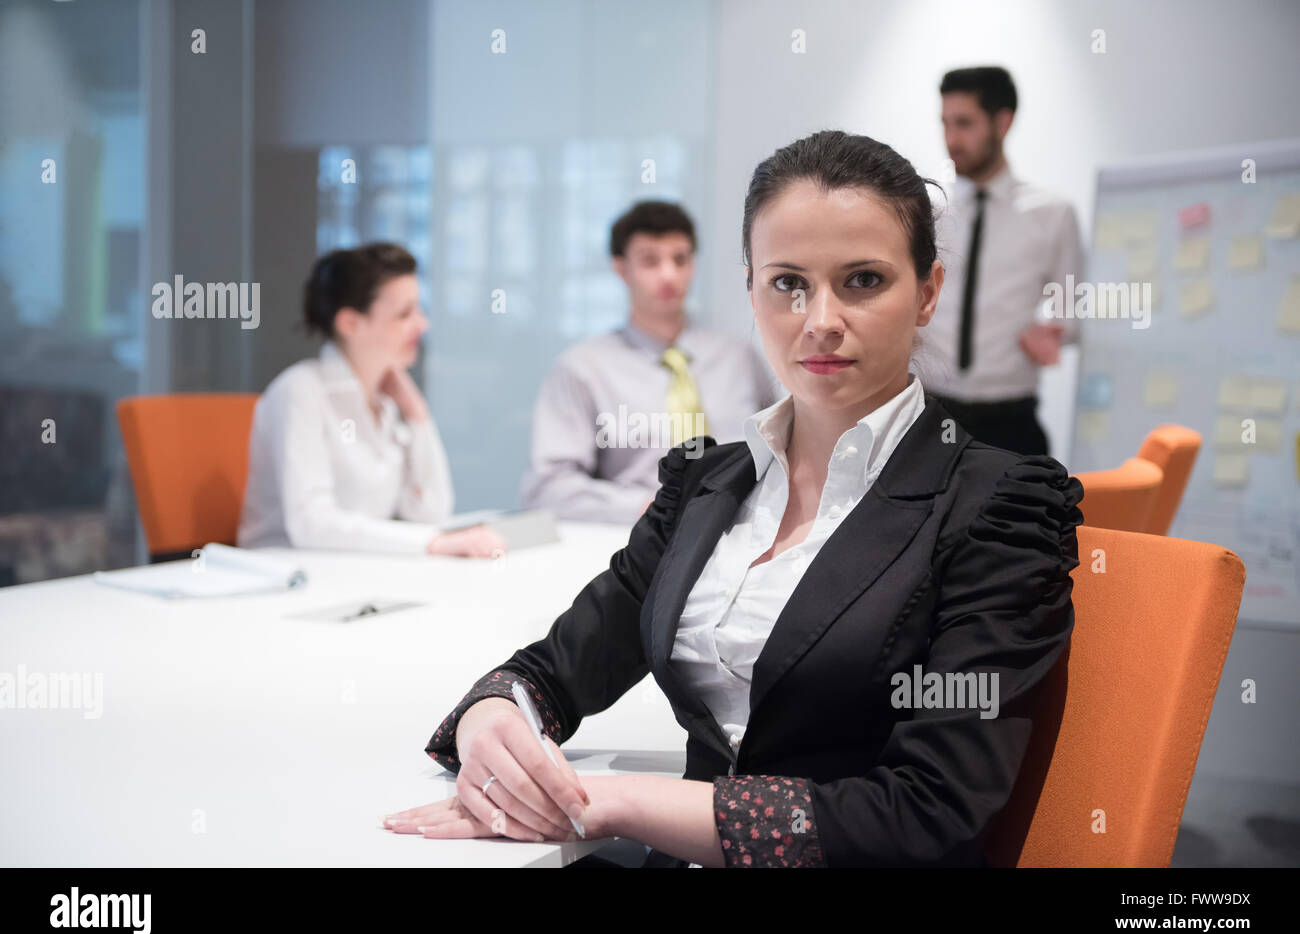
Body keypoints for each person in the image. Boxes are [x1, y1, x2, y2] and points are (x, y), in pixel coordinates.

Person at [384, 131, 1084, 867]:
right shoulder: (706, 486)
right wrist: (493, 719)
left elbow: (928, 809)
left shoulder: (998, 507)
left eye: (863, 280)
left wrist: (612, 803)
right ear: (751, 289)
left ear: (928, 292)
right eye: (788, 283)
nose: (820, 319)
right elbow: (554, 669)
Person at [519, 200, 780, 524]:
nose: (669, 274)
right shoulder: (582, 369)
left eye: (680, 259)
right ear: (621, 269)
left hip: (741, 530)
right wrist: (648, 508)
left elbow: (781, 450)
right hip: (638, 536)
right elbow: (548, 489)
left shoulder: (739, 358)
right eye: (650, 261)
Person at [237, 242, 505, 557]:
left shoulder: (389, 403)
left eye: (419, 311)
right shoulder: (300, 391)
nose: (422, 324)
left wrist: (418, 415)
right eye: (404, 314)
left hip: (359, 569)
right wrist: (430, 543)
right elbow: (312, 523)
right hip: (287, 572)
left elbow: (431, 512)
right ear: (350, 323)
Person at [922, 66, 1085, 456]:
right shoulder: (926, 210)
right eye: (945, 123)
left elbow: (1072, 314)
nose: (951, 139)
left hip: (1010, 423)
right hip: (927, 416)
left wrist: (1053, 332)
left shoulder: (1052, 214)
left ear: (1003, 122)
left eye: (964, 123)